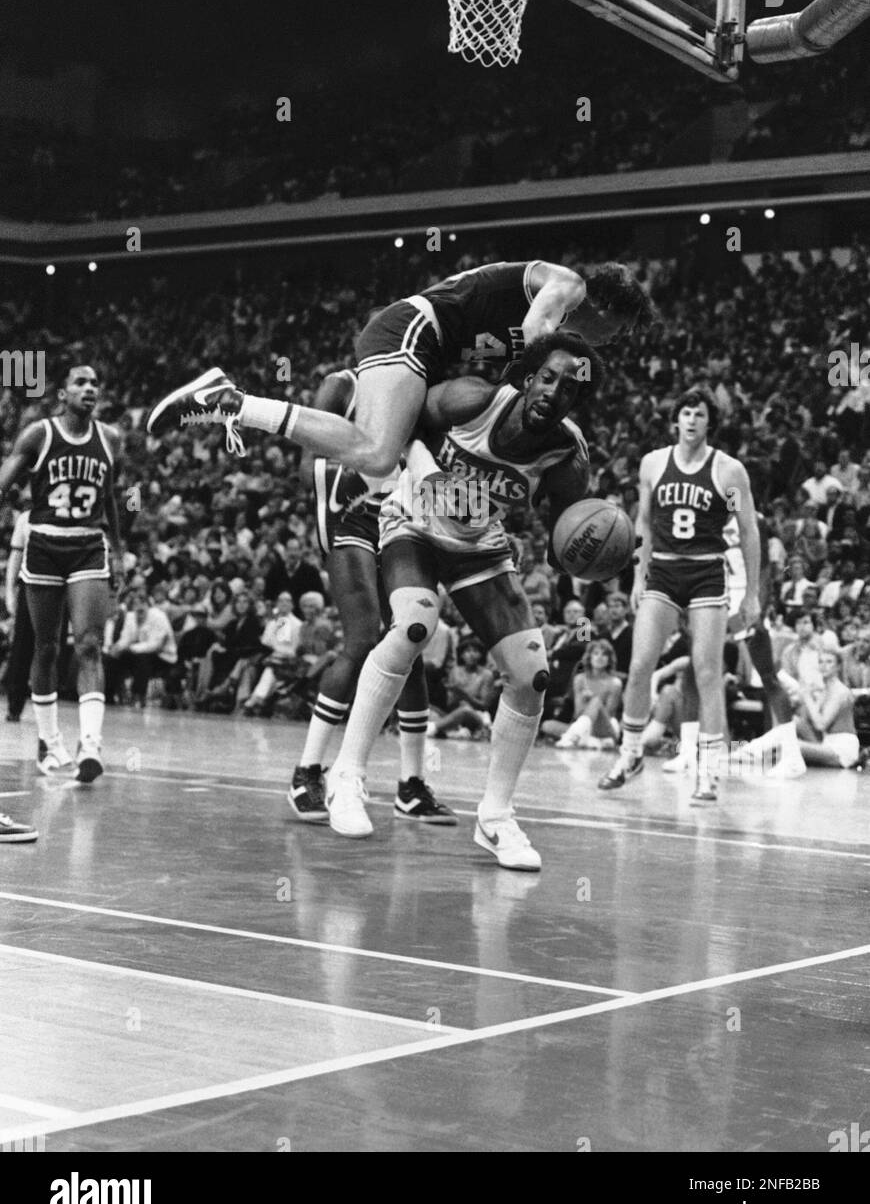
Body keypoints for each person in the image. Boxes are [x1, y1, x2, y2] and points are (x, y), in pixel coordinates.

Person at [323, 330, 598, 870]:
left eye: (569, 389)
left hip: (479, 546)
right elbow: (403, 424)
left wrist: (583, 555)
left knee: (531, 674)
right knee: (413, 629)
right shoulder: (473, 398)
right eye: (548, 378)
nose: (554, 392)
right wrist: (423, 467)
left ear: (576, 402)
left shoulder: (568, 457)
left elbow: (560, 541)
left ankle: (495, 818)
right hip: (416, 524)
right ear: (528, 377)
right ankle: (347, 775)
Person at [146, 261, 653, 485]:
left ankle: (337, 396)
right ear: (609, 307)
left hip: (428, 349)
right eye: (624, 328)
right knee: (379, 452)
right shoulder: (568, 287)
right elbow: (536, 335)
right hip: (415, 328)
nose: (619, 340)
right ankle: (229, 400)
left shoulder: (567, 312)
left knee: (379, 463)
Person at [287, 367, 454, 824]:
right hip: (353, 519)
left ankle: (412, 785)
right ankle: (308, 770)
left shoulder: (427, 395)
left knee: (410, 641)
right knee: (361, 641)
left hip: (404, 522)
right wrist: (376, 466)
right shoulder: (341, 387)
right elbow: (308, 470)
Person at [601, 386, 760, 803]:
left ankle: (709, 772)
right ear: (676, 419)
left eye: (700, 414)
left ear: (711, 422)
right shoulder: (653, 464)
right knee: (638, 666)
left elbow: (748, 531)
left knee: (707, 672)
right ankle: (631, 754)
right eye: (686, 412)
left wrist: (753, 593)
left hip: (708, 570)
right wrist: (637, 578)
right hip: (664, 572)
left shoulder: (729, 472)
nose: (691, 420)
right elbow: (644, 524)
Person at [0, 365, 121, 782]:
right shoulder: (39, 434)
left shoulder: (111, 439)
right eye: (80, 383)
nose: (89, 389)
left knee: (89, 644)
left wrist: (118, 552)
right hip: (44, 545)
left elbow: (111, 500)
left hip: (88, 545)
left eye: (94, 384)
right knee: (46, 648)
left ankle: (90, 743)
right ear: (63, 394)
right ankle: (50, 745)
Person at [746, 647, 859, 771]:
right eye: (821, 662)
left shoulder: (840, 692)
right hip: (827, 741)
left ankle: (752, 753)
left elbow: (821, 724)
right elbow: (806, 720)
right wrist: (803, 697)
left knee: (794, 745)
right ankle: (751, 750)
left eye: (829, 662)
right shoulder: (824, 690)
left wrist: (806, 696)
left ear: (838, 666)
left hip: (843, 748)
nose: (824, 666)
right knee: (793, 722)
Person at [554, 639, 622, 749]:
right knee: (547, 725)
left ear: (609, 660)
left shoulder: (615, 683)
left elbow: (609, 714)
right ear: (589, 657)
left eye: (604, 655)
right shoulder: (580, 679)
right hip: (584, 725)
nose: (599, 657)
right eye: (596, 653)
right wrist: (583, 700)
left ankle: (573, 737)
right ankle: (592, 741)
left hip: (606, 727)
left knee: (596, 701)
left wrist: (593, 701)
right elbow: (578, 713)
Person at [3, 506, 34, 721]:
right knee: (21, 647)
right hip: (30, 585)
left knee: (51, 649)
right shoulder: (26, 518)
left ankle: (49, 706)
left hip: (61, 586)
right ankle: (15, 705)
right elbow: (15, 556)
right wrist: (10, 596)